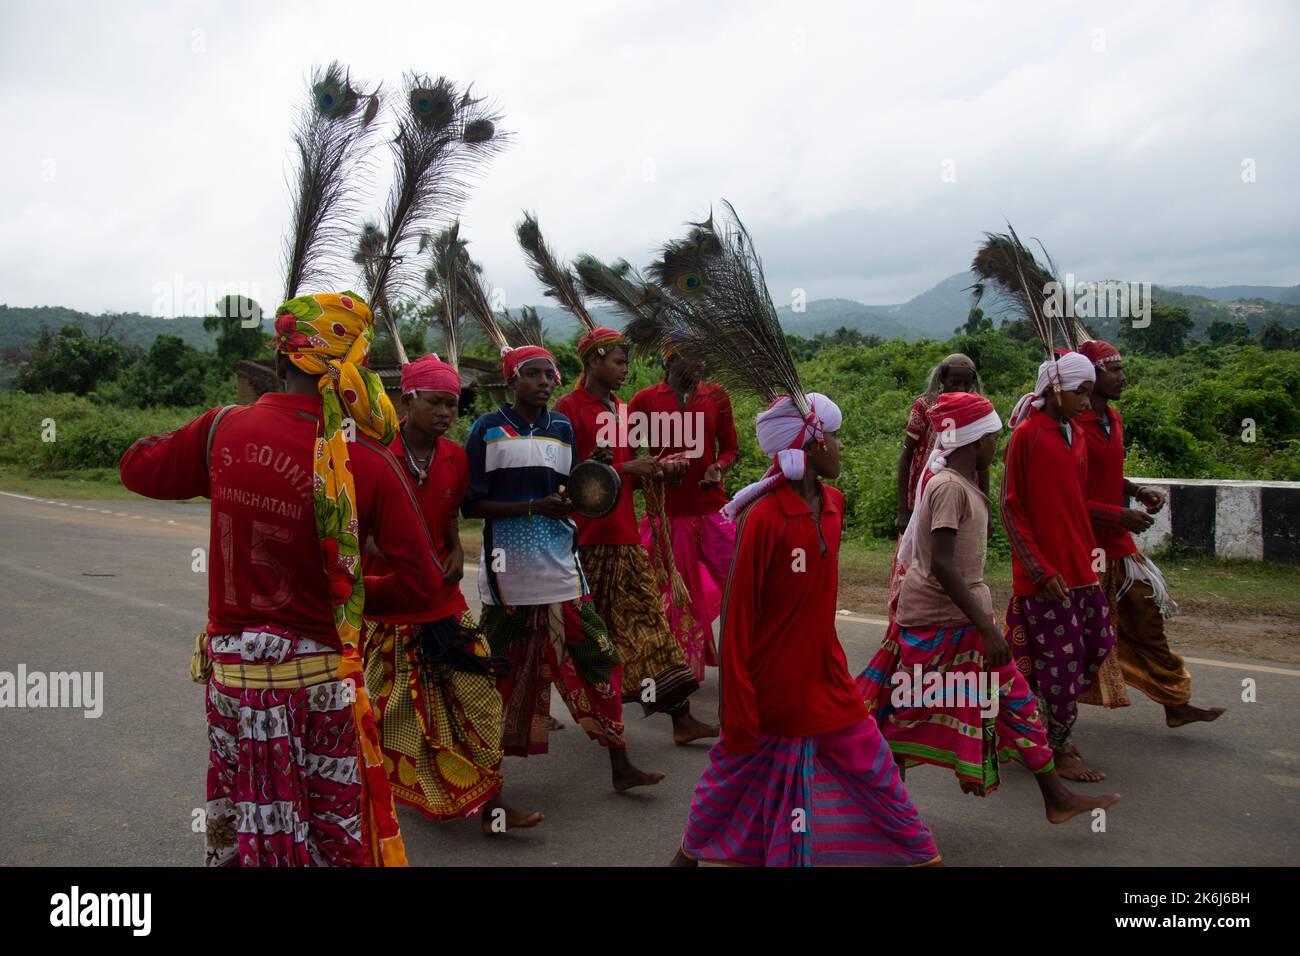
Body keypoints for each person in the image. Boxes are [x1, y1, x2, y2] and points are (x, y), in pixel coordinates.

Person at [120, 291, 441, 866]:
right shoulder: (366, 458)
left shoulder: (221, 430)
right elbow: (424, 585)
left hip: (233, 683)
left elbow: (137, 466)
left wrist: (221, 454)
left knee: (245, 815)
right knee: (334, 827)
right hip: (324, 680)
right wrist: (351, 594)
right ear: (357, 366)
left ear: (281, 353)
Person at [672, 393, 940, 866]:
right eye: (833, 436)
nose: (840, 446)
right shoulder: (763, 517)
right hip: (773, 682)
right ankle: (688, 856)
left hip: (825, 674)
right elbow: (736, 619)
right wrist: (737, 704)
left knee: (871, 762)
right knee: (734, 771)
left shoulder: (833, 506)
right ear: (811, 443)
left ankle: (922, 856)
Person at [860, 392, 1120, 822]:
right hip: (941, 623)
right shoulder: (948, 488)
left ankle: (1055, 797)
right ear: (977, 441)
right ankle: (888, 813)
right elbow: (942, 563)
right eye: (993, 439)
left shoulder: (961, 485)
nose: (996, 448)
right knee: (904, 716)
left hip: (963, 622)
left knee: (1015, 704)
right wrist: (986, 627)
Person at [463, 344, 664, 791]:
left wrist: (587, 482)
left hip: (561, 572)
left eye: (549, 375)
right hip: (508, 580)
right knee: (492, 676)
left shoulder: (560, 427)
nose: (543, 382)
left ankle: (620, 764)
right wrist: (535, 505)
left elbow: (572, 491)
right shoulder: (487, 429)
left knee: (600, 659)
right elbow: (472, 503)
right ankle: (482, 783)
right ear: (511, 380)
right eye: (532, 374)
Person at [362, 353, 544, 834]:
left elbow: (448, 517)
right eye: (436, 403)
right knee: (392, 715)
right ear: (408, 399)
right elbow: (353, 527)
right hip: (389, 604)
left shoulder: (454, 458)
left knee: (478, 698)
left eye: (453, 405)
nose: (446, 413)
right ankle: (378, 803)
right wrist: (391, 548)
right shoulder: (374, 454)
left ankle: (492, 804)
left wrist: (449, 552)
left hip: (442, 601)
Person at [553, 327, 718, 744]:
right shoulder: (567, 409)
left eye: (626, 362)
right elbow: (568, 482)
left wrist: (660, 470)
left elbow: (626, 478)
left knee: (651, 626)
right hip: (587, 543)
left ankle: (680, 720)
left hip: (624, 537)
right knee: (573, 635)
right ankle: (550, 709)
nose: (626, 370)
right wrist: (628, 470)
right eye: (618, 362)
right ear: (593, 360)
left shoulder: (623, 410)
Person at [1075, 339, 1225, 727]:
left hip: (1118, 548)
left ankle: (1174, 700)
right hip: (1082, 550)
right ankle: (1033, 714)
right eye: (1114, 370)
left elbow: (1105, 475)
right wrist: (1117, 515)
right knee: (1075, 637)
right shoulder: (1072, 426)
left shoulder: (1114, 419)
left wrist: (1137, 491)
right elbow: (1064, 496)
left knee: (1147, 621)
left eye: (1122, 369)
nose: (1123, 377)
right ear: (1091, 377)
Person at [1000, 351, 1116, 782]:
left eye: (1089, 391)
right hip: (1046, 576)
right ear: (1054, 389)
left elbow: (1077, 502)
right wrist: (1038, 569)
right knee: (1060, 665)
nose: (1087, 401)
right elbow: (1011, 508)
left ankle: (1037, 727)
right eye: (1079, 392)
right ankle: (1058, 746)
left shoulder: (1076, 434)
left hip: (1082, 567)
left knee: (1097, 645)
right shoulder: (1026, 435)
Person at [629, 343, 739, 680]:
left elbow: (731, 449)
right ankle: (676, 674)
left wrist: (718, 469)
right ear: (671, 360)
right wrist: (660, 469)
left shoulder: (716, 396)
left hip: (712, 510)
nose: (703, 362)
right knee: (671, 597)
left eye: (703, 355)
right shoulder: (644, 401)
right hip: (667, 515)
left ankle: (751, 662)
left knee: (743, 581)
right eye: (694, 357)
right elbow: (629, 463)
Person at [891, 354, 986, 607]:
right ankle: (907, 619)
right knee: (915, 561)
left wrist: (985, 508)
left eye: (966, 383)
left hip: (961, 497)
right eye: (955, 382)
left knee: (954, 560)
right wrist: (903, 509)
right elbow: (906, 455)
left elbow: (982, 461)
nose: (961, 389)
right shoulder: (925, 406)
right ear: (942, 379)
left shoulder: (976, 407)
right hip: (923, 496)